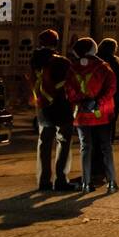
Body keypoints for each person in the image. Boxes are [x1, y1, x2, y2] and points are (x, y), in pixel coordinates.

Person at [65, 37, 118, 194]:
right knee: (106, 148)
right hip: (102, 114)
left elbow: (69, 91)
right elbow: (111, 88)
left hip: (82, 114)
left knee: (85, 148)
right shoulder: (103, 67)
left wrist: (82, 103)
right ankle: (111, 182)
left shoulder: (72, 68)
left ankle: (86, 183)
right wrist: (97, 103)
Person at [30, 29, 75, 192]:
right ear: (56, 42)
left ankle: (43, 180)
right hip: (61, 105)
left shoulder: (34, 61)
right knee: (63, 142)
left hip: (43, 106)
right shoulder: (62, 62)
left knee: (44, 143)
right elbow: (71, 84)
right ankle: (61, 179)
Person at [97, 38, 119, 141]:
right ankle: (109, 141)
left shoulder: (100, 60)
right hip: (118, 95)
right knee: (111, 121)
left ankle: (103, 141)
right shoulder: (116, 60)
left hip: (107, 96)